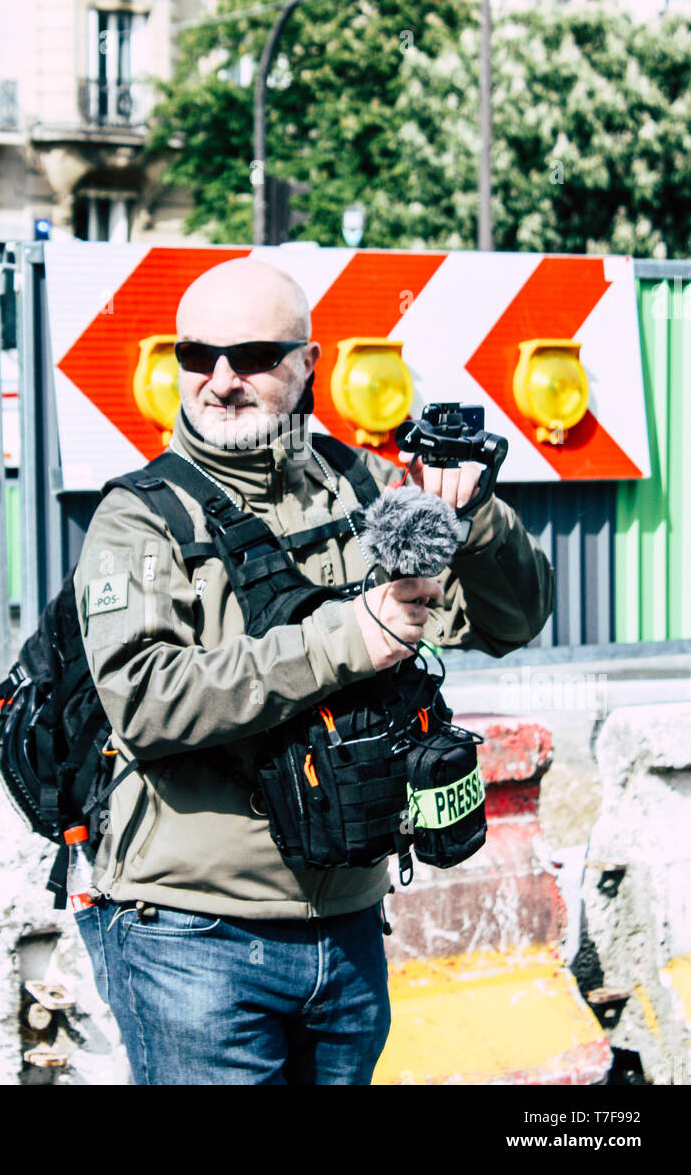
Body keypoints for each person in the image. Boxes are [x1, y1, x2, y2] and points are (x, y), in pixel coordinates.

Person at [73, 257, 554, 1085]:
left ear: (309, 364)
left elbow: (508, 623)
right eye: (197, 356)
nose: (220, 381)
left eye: (254, 355)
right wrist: (349, 637)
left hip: (350, 927)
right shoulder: (139, 517)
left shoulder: (359, 488)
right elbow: (146, 701)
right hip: (194, 939)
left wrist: (475, 521)